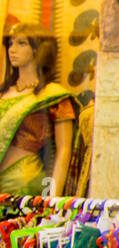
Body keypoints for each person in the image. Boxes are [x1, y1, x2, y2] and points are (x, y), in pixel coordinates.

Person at [0, 25, 75, 196]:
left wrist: (53, 199)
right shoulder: (3, 93)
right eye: (10, 43)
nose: (13, 50)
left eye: (22, 43)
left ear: (39, 49)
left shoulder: (52, 96)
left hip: (23, 182)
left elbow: (64, 150)